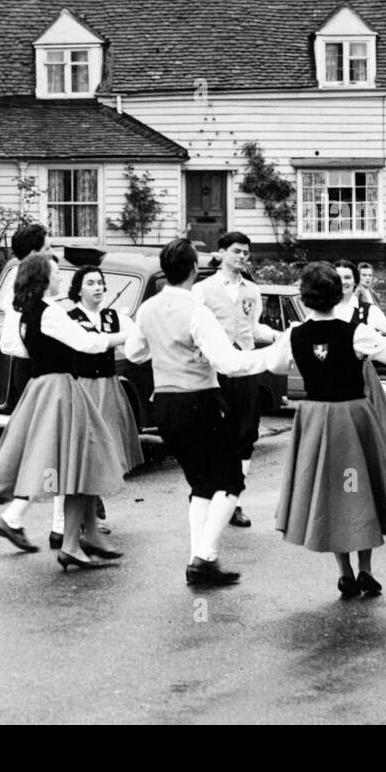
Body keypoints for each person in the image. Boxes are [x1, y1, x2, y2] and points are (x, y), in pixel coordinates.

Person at [124, 239, 291, 586]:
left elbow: (136, 352)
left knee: (201, 483)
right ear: (192, 270)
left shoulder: (149, 309)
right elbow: (227, 361)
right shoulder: (197, 310)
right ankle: (204, 558)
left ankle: (199, 559)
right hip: (200, 400)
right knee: (230, 480)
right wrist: (273, 353)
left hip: (165, 405)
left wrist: (167, 349)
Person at [272, 262, 386, 598]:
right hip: (351, 419)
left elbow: (274, 365)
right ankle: (365, 571)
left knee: (330, 495)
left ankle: (345, 573)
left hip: (315, 421)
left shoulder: (294, 334)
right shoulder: (356, 332)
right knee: (357, 492)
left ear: (305, 297)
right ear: (337, 294)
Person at [0, 254, 129, 570]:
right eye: (56, 273)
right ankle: (76, 542)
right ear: (43, 279)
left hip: (43, 387)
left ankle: (81, 538)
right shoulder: (49, 312)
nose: (61, 278)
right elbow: (88, 343)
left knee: (81, 463)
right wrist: (128, 335)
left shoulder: (25, 312)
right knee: (82, 462)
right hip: (61, 390)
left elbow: (18, 347)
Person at [0, 223, 69, 553]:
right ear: (37, 251)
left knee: (57, 450)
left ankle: (62, 522)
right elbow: (12, 340)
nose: (53, 247)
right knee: (51, 451)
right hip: (39, 372)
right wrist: (45, 349)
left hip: (42, 370)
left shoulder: (38, 281)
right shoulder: (25, 284)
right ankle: (36, 520)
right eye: (48, 243)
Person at [194, 231, 278, 528]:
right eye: (237, 251)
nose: (242, 257)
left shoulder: (252, 290)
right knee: (215, 434)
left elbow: (254, 329)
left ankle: (235, 501)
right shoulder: (202, 289)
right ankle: (211, 499)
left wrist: (277, 336)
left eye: (246, 252)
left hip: (244, 368)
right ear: (222, 253)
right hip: (215, 369)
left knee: (245, 433)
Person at [67, 265, 144, 476]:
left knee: (111, 425)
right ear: (79, 289)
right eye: (90, 283)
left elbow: (138, 336)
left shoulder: (114, 317)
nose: (97, 288)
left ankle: (111, 470)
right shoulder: (70, 318)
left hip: (109, 383)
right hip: (83, 383)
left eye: (100, 283)